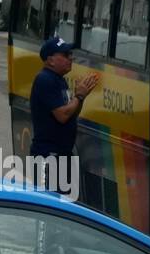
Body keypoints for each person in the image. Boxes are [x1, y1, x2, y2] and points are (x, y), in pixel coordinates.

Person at [29, 36, 99, 190]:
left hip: (63, 154)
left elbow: (71, 113)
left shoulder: (59, 80)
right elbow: (62, 116)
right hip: (48, 156)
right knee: (49, 205)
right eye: (66, 55)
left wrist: (81, 98)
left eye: (71, 54)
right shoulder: (45, 80)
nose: (71, 58)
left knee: (64, 203)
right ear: (51, 60)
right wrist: (79, 96)